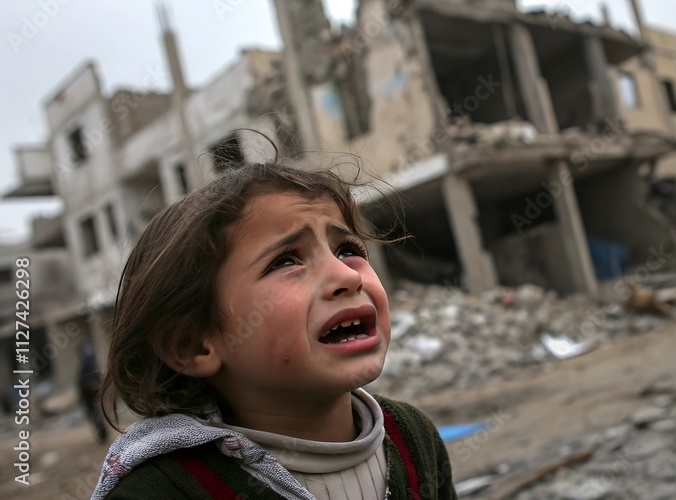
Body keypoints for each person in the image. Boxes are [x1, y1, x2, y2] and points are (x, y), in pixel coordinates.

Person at [91, 138, 456, 499]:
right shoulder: (163, 490)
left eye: (346, 250)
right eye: (286, 261)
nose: (348, 277)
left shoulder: (412, 437)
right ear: (191, 346)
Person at [78, 343, 108, 443]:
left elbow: (85, 382)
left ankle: (103, 434)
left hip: (88, 394)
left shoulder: (85, 365)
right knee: (96, 414)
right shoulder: (89, 364)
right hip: (89, 393)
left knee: (94, 414)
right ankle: (103, 434)